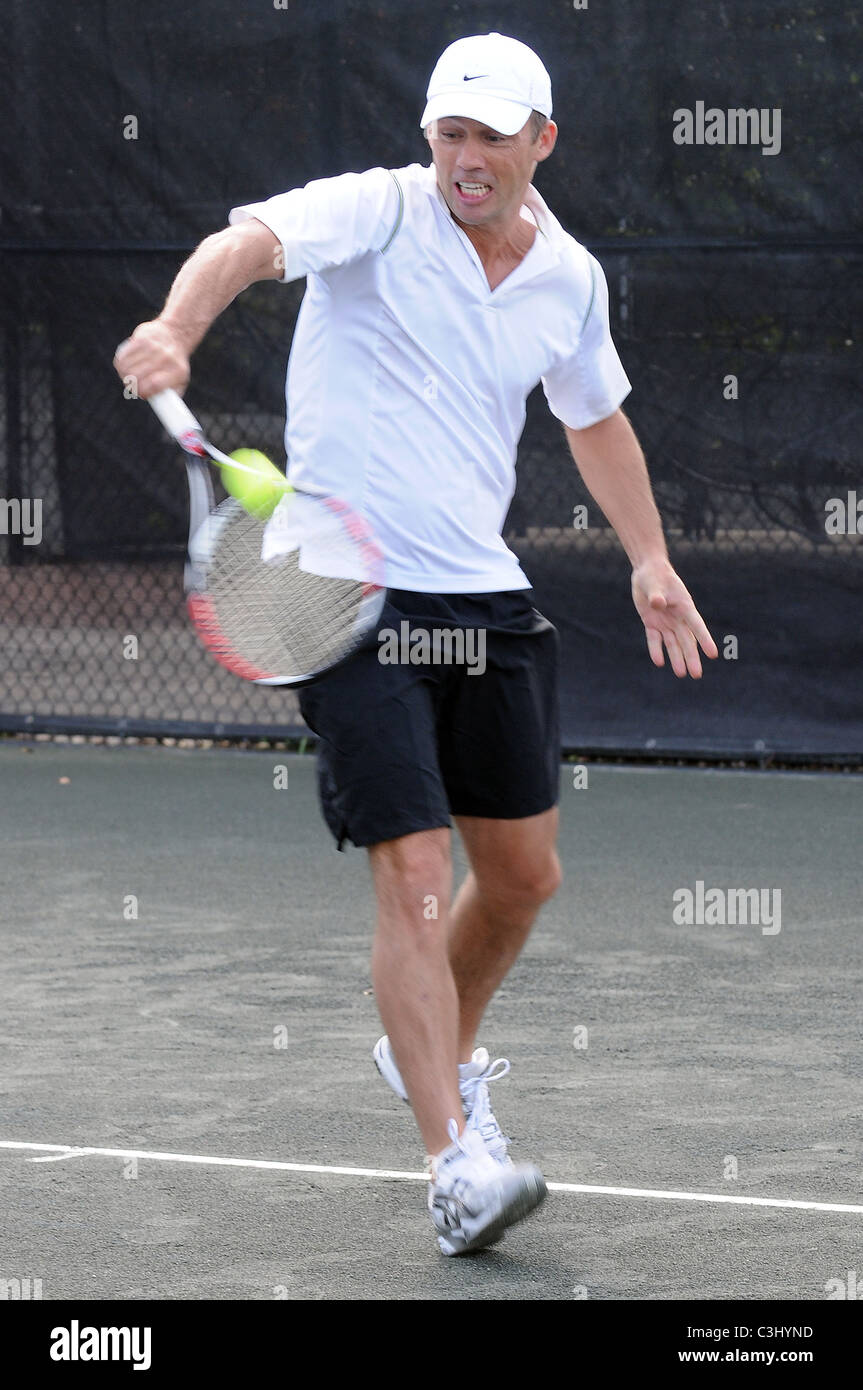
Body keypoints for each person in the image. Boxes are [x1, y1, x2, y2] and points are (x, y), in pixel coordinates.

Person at [114, 31, 718, 1257]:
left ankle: (417, 1048)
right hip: (347, 595)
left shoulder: (569, 278)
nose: (465, 158)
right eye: (449, 133)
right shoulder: (375, 212)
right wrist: (178, 327)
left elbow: (594, 420)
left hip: (483, 600)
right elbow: (247, 244)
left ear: (540, 141)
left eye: (491, 135)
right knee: (412, 868)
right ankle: (452, 1160)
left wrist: (650, 558)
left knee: (522, 876)